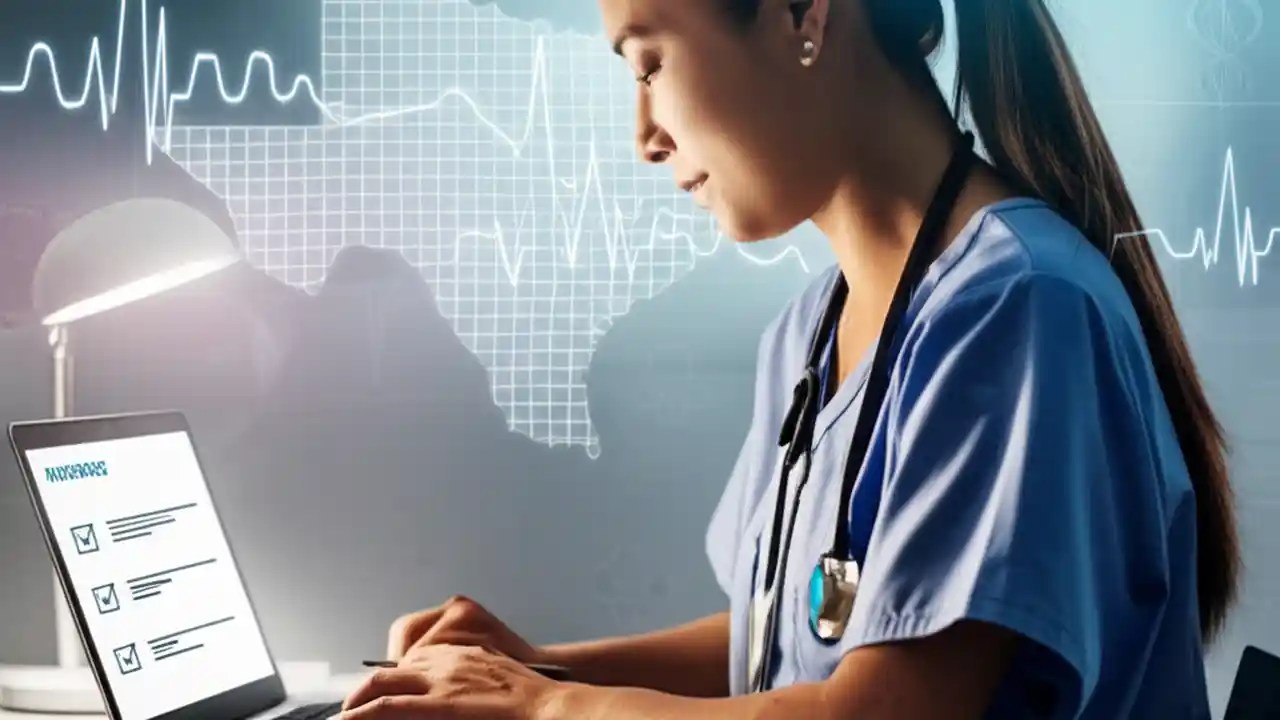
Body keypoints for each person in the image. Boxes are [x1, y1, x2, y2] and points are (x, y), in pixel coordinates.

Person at [337, 0, 1240, 718]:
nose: (643, 136)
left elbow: (885, 709)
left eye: (650, 61)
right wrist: (528, 664)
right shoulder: (810, 334)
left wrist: (544, 708)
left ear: (805, 15)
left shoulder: (1018, 308)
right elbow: (790, 642)